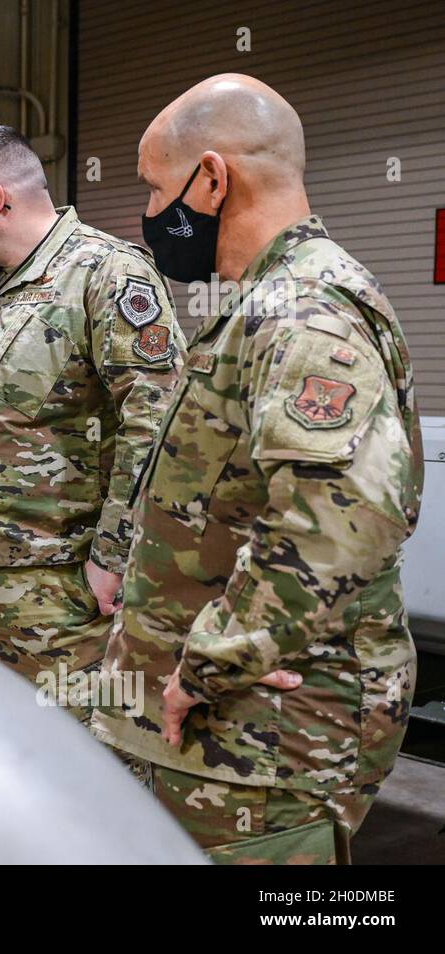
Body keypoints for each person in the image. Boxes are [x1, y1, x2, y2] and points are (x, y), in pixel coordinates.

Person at [90, 74, 423, 864]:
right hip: (223, 729)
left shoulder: (307, 309)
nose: (148, 215)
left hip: (264, 741)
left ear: (211, 178)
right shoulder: (262, 302)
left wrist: (210, 666)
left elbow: (336, 524)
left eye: (154, 188)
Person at [0, 125, 186, 721]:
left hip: (60, 594)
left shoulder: (105, 274)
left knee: (76, 770)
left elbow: (157, 425)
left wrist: (113, 560)